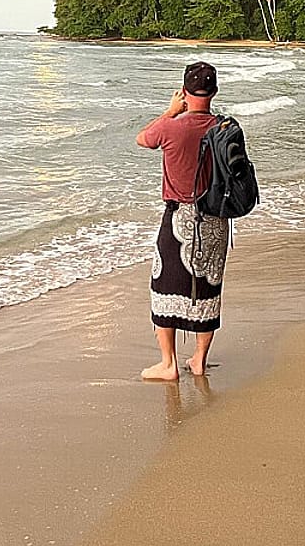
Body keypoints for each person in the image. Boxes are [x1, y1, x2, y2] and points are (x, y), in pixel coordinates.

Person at [135, 61, 228, 380]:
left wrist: (170, 111)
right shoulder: (224, 127)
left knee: (163, 284)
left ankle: (168, 363)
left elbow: (143, 138)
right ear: (214, 92)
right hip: (216, 218)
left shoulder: (170, 127)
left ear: (185, 92)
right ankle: (199, 359)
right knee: (208, 286)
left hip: (179, 217)